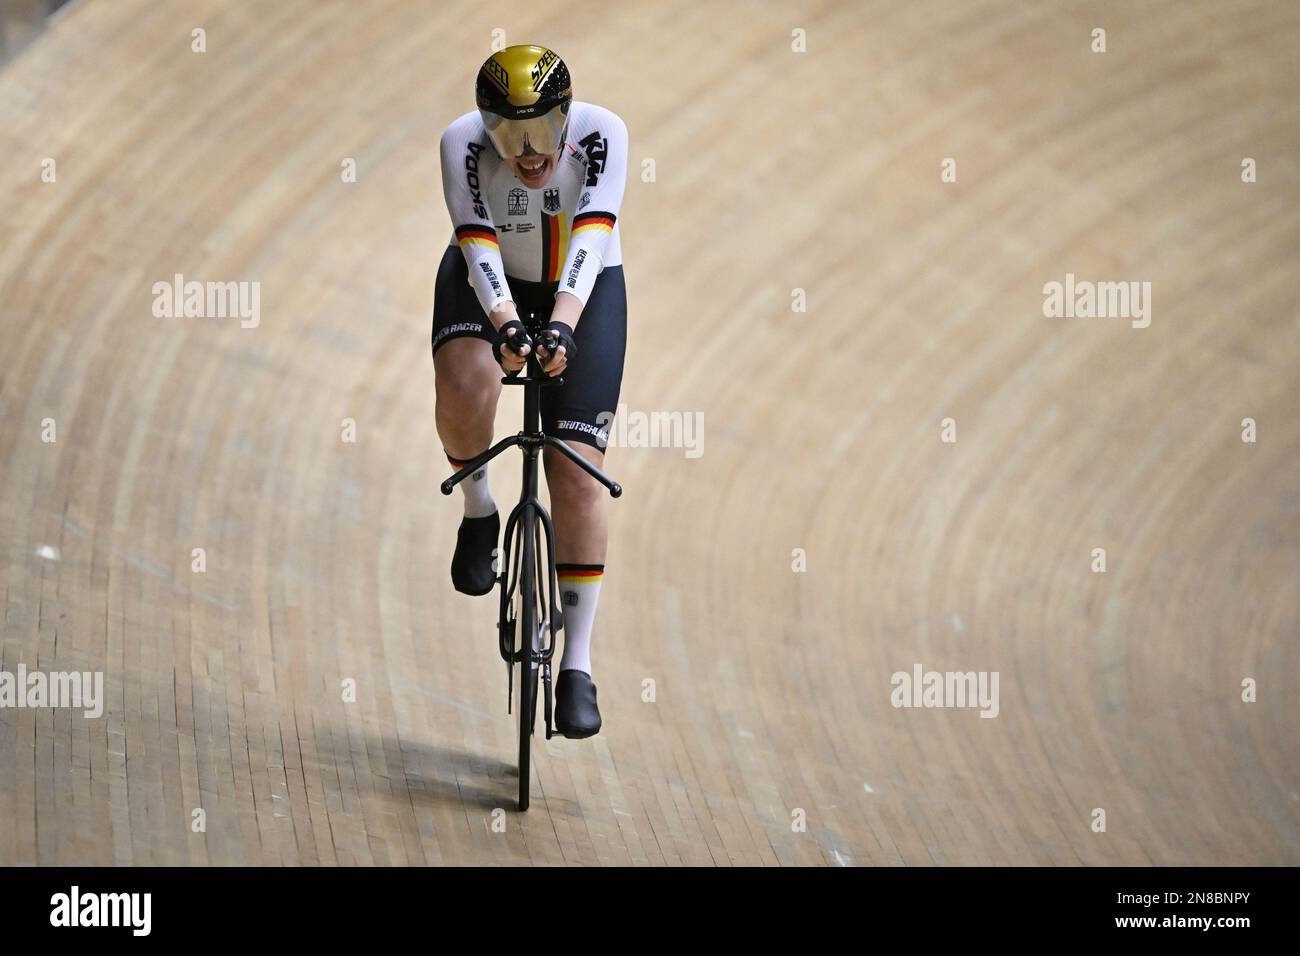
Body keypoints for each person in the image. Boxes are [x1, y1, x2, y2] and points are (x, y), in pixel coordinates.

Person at [432, 44, 628, 739]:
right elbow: (477, 241)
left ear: (567, 119)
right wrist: (509, 325)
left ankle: (576, 663)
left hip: (586, 285)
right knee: (468, 380)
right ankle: (479, 510)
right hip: (492, 282)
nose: (527, 152)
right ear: (485, 126)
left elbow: (592, 236)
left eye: (542, 133)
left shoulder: (604, 134)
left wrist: (563, 330)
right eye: (509, 136)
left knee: (576, 474)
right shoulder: (461, 143)